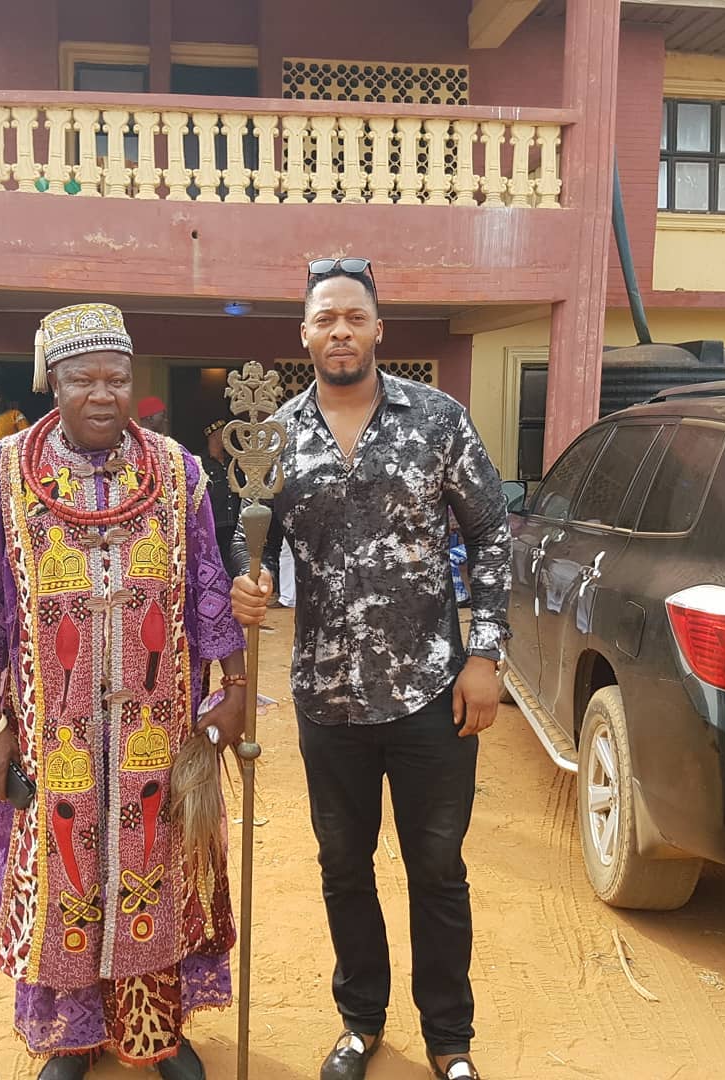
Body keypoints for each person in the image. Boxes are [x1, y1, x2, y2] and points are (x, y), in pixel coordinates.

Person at [0, 303, 247, 1080]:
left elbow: (208, 588)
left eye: (117, 377)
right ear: (53, 384)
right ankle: (69, 1035)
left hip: (158, 728)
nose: (103, 394)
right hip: (50, 733)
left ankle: (155, 1025)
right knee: (64, 865)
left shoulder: (178, 474)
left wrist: (231, 687)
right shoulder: (1, 477)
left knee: (157, 866)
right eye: (82, 378)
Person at [230, 258, 511, 1080]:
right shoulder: (273, 438)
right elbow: (249, 543)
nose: (341, 331)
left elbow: (492, 533)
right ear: (305, 335)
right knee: (343, 867)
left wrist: (485, 651)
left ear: (379, 330)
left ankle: (450, 1041)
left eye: (355, 317)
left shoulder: (439, 420)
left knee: (437, 869)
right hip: (326, 697)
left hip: (432, 687)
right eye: (326, 320)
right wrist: (246, 589)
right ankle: (360, 1023)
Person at [198, 418, 240, 574]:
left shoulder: (233, 460)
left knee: (234, 563)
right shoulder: (200, 462)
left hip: (234, 523)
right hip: (214, 524)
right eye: (223, 434)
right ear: (214, 436)